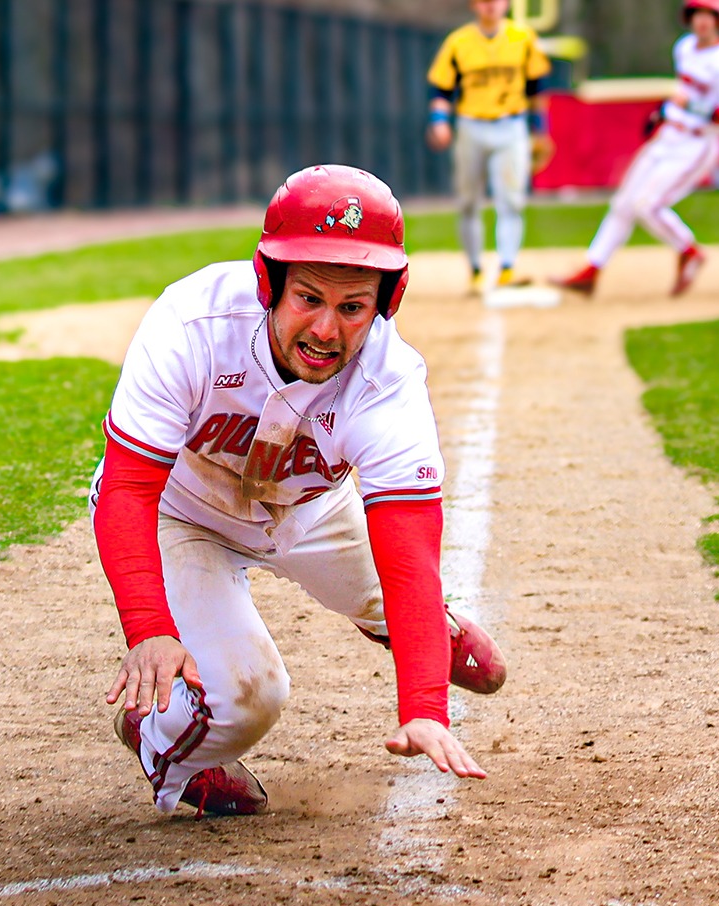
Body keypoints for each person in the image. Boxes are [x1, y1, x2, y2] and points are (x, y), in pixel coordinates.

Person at [92, 165, 505, 817]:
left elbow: (410, 554)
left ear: (385, 303)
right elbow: (128, 491)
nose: (326, 330)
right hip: (184, 514)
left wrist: (424, 706)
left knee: (404, 598)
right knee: (250, 698)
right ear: (270, 281)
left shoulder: (389, 380)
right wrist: (149, 629)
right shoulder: (193, 323)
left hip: (311, 508)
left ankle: (411, 627)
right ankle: (167, 744)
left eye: (352, 307)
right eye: (309, 297)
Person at [555, 0, 719, 299]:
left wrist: (691, 107)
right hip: (670, 134)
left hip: (697, 142)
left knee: (647, 205)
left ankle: (689, 250)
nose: (702, 21)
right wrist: (663, 111)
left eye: (709, 15)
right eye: (697, 14)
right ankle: (591, 270)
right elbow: (683, 92)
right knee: (623, 203)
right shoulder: (685, 48)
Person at [427, 0, 552, 293]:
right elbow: (442, 90)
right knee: (469, 201)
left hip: (511, 124)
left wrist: (541, 130)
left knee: (511, 200)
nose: (491, 6)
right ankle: (476, 271)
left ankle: (507, 268)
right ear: (474, 5)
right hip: (472, 125)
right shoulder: (459, 42)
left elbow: (535, 89)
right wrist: (439, 121)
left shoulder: (523, 38)